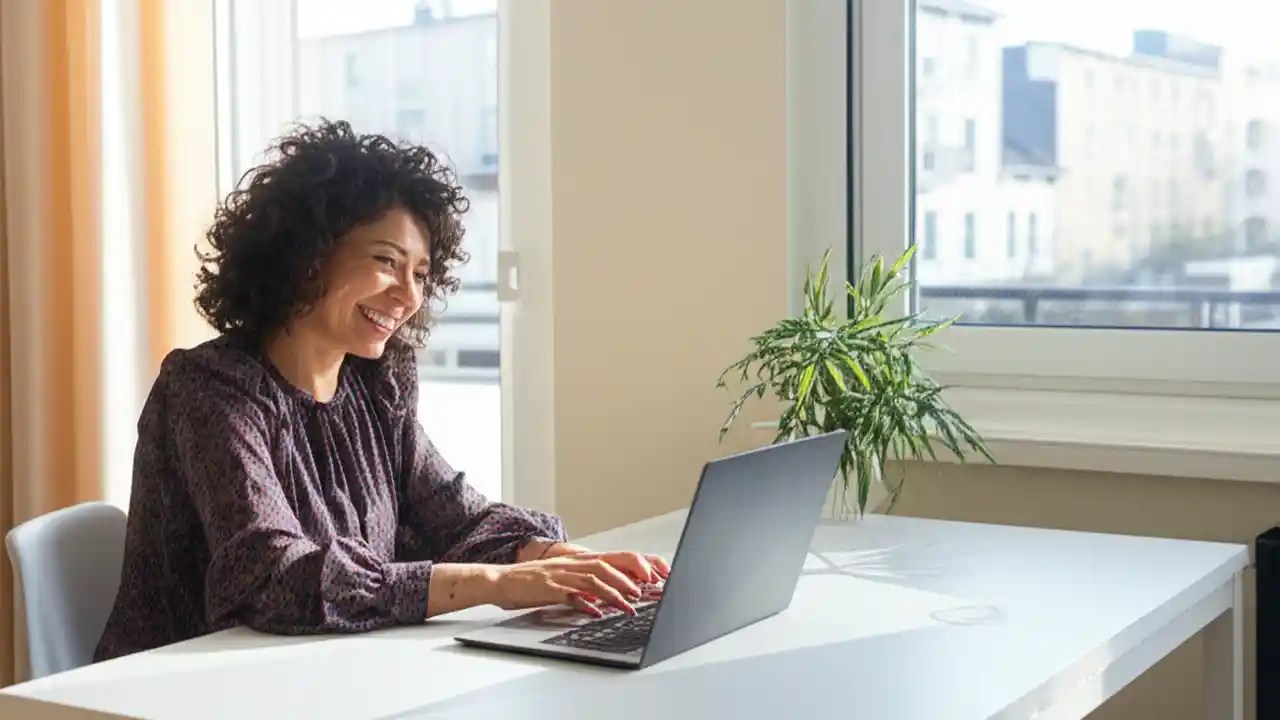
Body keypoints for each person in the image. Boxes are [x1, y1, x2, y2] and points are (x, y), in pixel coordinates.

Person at [94, 120, 669, 662]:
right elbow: (270, 578)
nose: (408, 296)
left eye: (420, 274)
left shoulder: (379, 383)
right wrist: (499, 583)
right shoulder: (211, 387)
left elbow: (455, 517)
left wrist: (554, 561)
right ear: (308, 256)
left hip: (325, 676)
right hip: (179, 689)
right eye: (385, 261)